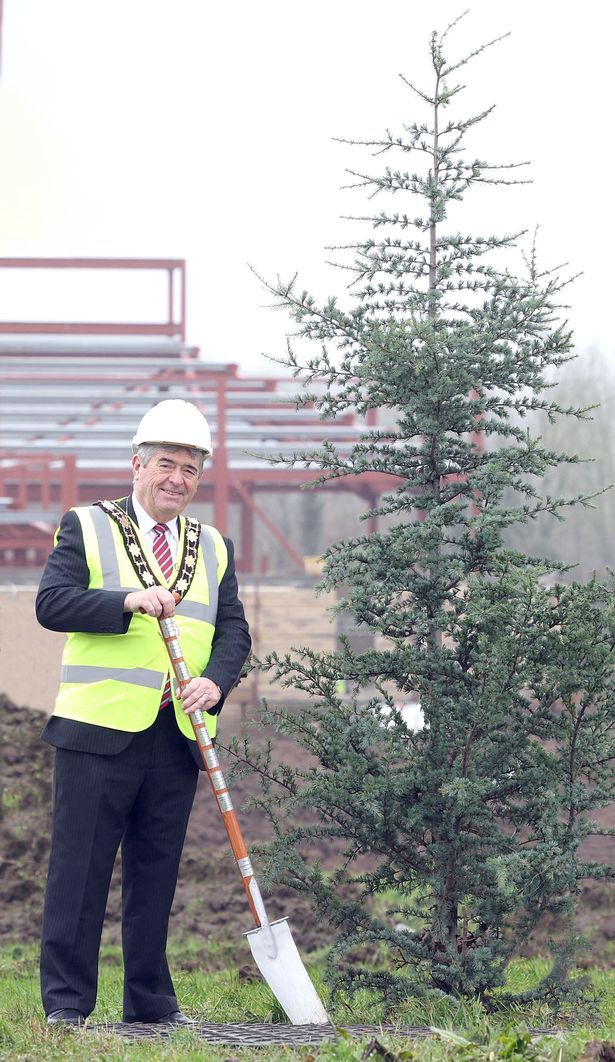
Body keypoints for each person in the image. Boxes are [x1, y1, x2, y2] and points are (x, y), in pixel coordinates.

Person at [36, 399, 251, 1027]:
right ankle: (67, 1005)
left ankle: (151, 1006)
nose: (177, 479)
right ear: (137, 464)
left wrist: (215, 682)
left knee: (156, 875)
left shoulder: (214, 546)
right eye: (166, 465)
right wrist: (126, 600)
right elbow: (52, 604)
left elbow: (233, 629)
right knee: (79, 873)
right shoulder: (86, 525)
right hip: (96, 729)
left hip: (177, 732)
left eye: (190, 469)